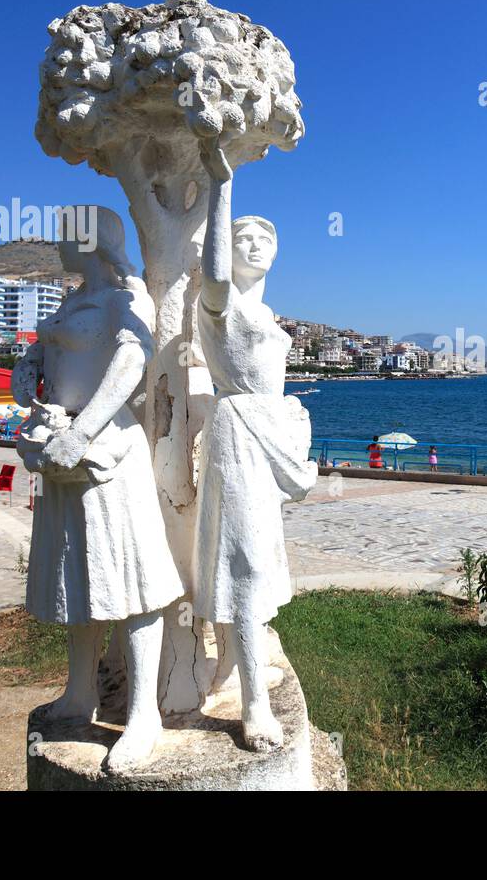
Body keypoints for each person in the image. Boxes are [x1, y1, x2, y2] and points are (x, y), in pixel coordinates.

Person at [11, 205, 183, 773]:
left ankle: (142, 715)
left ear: (94, 241)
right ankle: (80, 692)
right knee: (78, 577)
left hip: (106, 448)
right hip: (62, 450)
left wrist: (84, 430)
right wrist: (29, 374)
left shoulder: (126, 296)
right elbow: (50, 366)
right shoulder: (69, 301)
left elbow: (131, 362)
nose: (57, 244)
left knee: (130, 580)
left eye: (67, 236)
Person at [191, 139, 318, 751]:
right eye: (244, 238)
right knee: (241, 558)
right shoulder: (224, 307)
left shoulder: (267, 316)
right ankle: (253, 705)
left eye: (265, 240)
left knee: (255, 552)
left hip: (268, 436)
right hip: (238, 430)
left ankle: (230, 664)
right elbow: (212, 275)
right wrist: (223, 184)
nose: (254, 245)